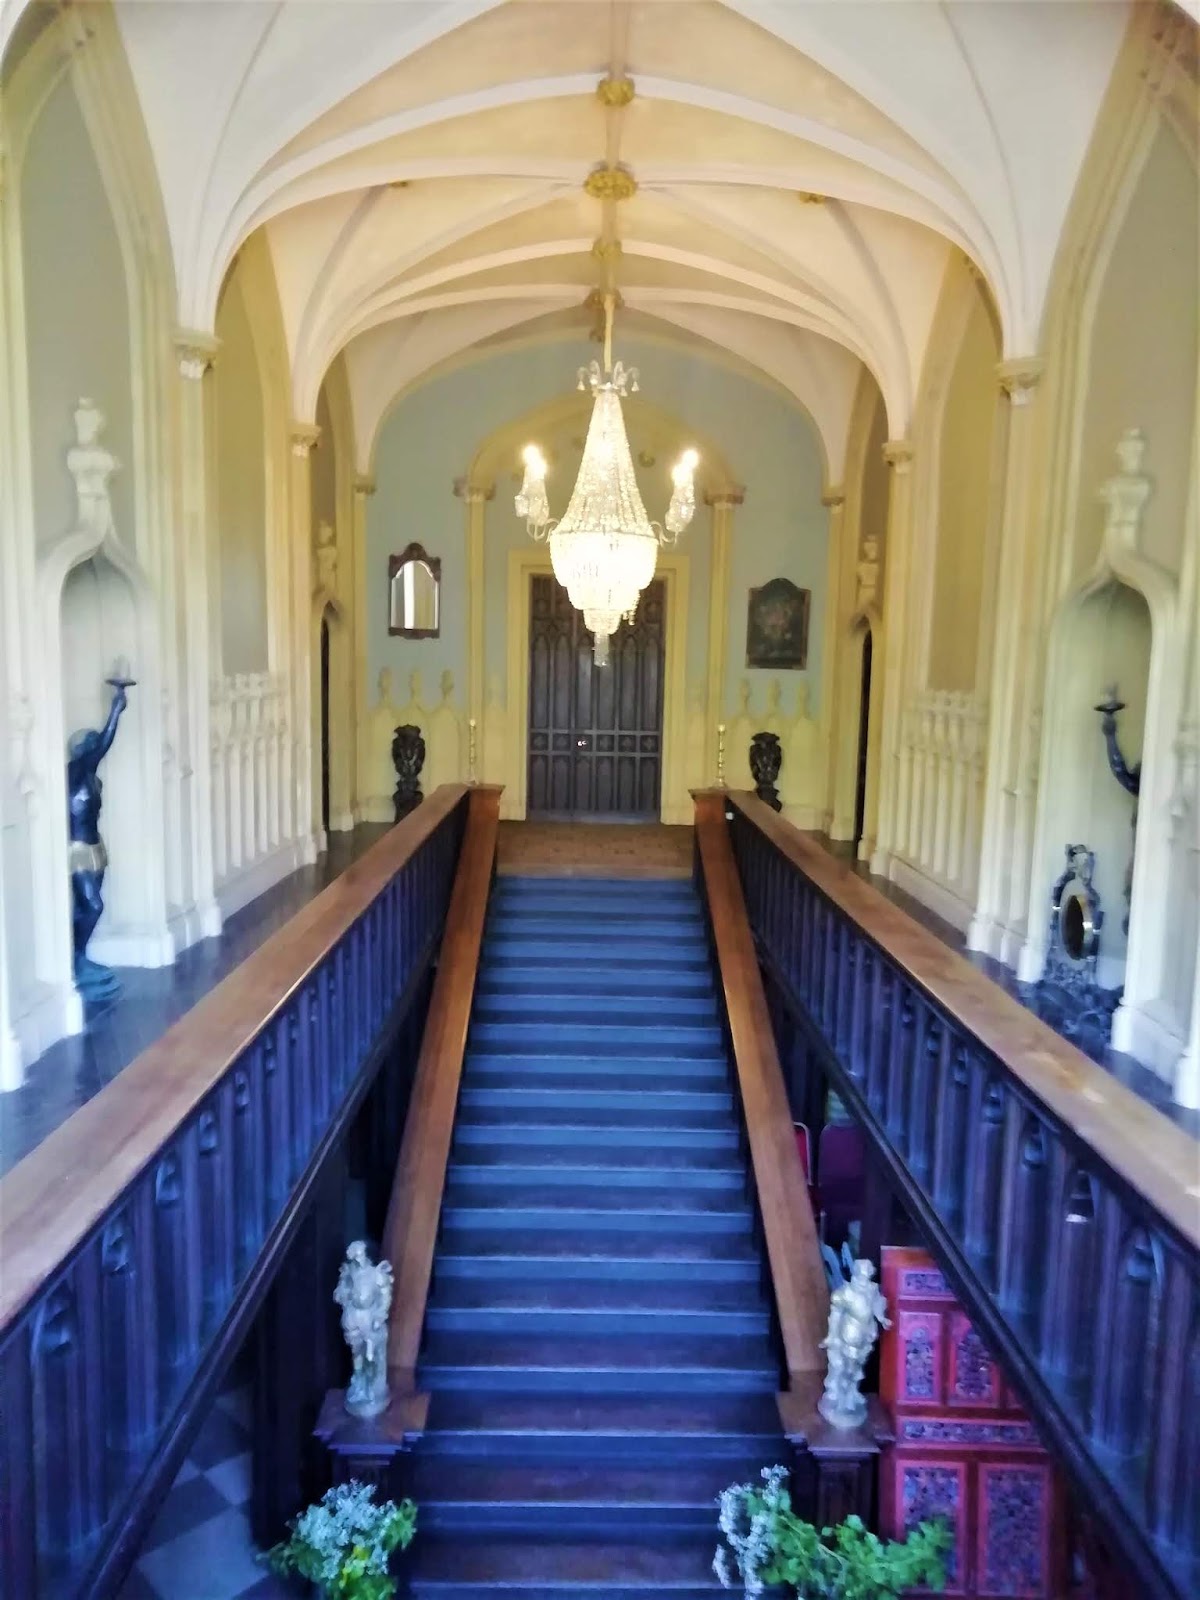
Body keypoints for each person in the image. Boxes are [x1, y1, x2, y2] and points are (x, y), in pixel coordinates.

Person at [67, 681, 130, 998]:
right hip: (77, 851)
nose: (96, 747)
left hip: (95, 848)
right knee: (93, 905)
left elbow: (104, 744)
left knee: (86, 907)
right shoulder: (73, 772)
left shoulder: (89, 774)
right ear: (80, 750)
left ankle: (80, 957)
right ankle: (75, 958)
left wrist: (116, 710)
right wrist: (115, 711)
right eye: (90, 744)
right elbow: (103, 743)